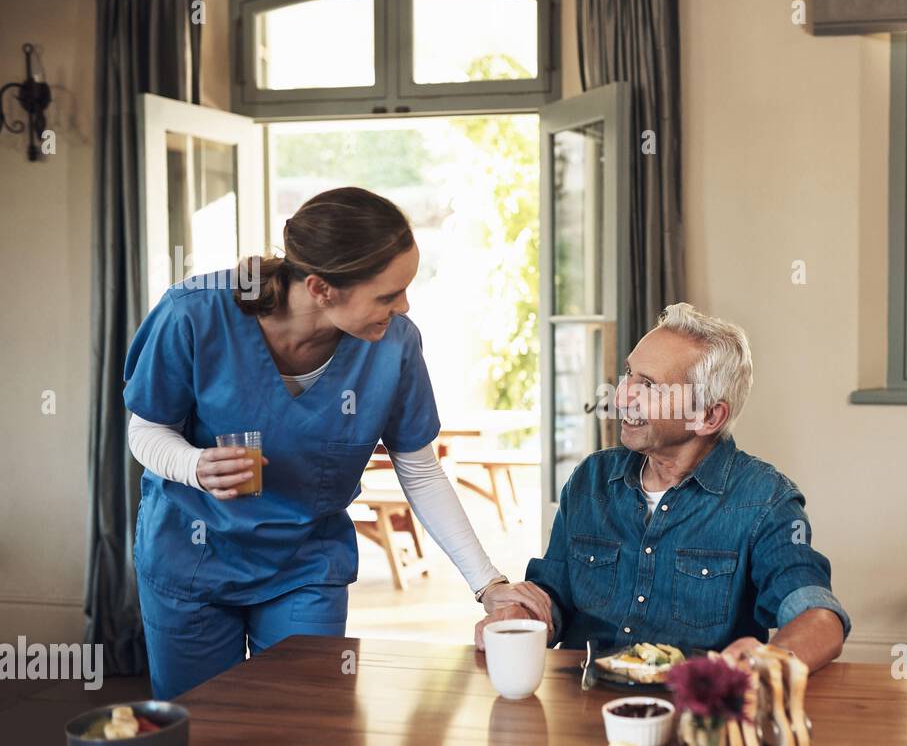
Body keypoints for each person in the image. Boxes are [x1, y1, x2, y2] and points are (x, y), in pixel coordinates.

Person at [124, 186, 550, 700]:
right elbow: (145, 428)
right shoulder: (193, 315)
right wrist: (193, 465)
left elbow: (418, 468)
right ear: (322, 288)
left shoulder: (394, 344)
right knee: (200, 730)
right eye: (388, 295)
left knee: (306, 727)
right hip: (191, 556)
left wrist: (488, 583)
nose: (404, 306)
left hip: (303, 564)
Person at [476, 303, 849, 672]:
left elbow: (818, 617)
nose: (620, 397)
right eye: (628, 374)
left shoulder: (766, 501)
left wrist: (763, 664)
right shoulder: (591, 479)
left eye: (649, 386)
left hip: (692, 712)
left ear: (708, 415)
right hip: (582, 700)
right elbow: (552, 595)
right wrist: (516, 615)